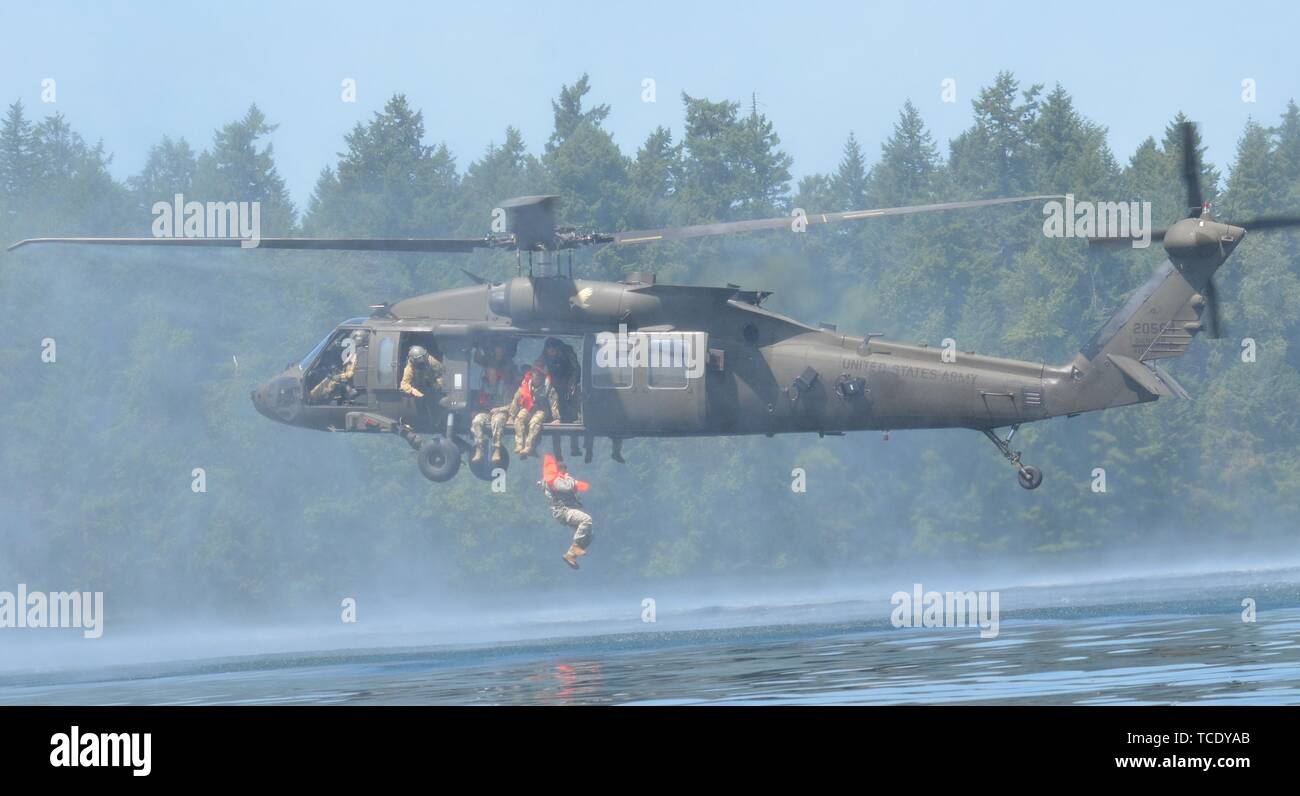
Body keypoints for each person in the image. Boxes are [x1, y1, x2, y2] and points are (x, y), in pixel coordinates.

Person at [469, 341, 520, 465]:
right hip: (487, 412)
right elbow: (481, 401)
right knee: (476, 420)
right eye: (488, 374)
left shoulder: (504, 386)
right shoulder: (485, 385)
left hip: (501, 412)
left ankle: (496, 449)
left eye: (491, 374)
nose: (489, 376)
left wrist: (499, 409)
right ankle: (478, 449)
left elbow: (511, 404)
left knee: (497, 421)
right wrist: (476, 410)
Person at [541, 453, 592, 569]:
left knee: (589, 535)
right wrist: (568, 478)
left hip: (566, 511)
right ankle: (575, 547)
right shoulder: (554, 480)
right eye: (564, 469)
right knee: (586, 520)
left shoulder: (557, 480)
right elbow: (567, 487)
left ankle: (571, 555)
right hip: (564, 511)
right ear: (560, 469)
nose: (566, 471)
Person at [540, 337, 582, 457]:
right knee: (556, 420)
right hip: (555, 385)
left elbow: (576, 369)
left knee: (573, 417)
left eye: (552, 351)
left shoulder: (568, 353)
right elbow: (539, 363)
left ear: (557, 349)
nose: (550, 353)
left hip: (569, 384)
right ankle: (558, 454)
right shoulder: (545, 354)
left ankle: (575, 447)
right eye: (548, 351)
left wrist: (573, 383)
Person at [508, 364, 554, 458]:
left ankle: (529, 447)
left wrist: (557, 418)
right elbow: (516, 401)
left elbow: (554, 403)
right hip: (528, 408)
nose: (537, 378)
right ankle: (520, 444)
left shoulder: (547, 388)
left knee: (534, 423)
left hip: (541, 410)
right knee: (519, 419)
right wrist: (511, 416)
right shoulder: (524, 387)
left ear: (542, 377)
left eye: (539, 376)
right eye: (535, 375)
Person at [309, 329, 366, 403]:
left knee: (330, 382)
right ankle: (313, 396)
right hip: (349, 382)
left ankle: (314, 399)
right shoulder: (358, 352)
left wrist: (339, 376)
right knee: (329, 379)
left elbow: (351, 374)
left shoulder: (359, 354)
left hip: (350, 385)